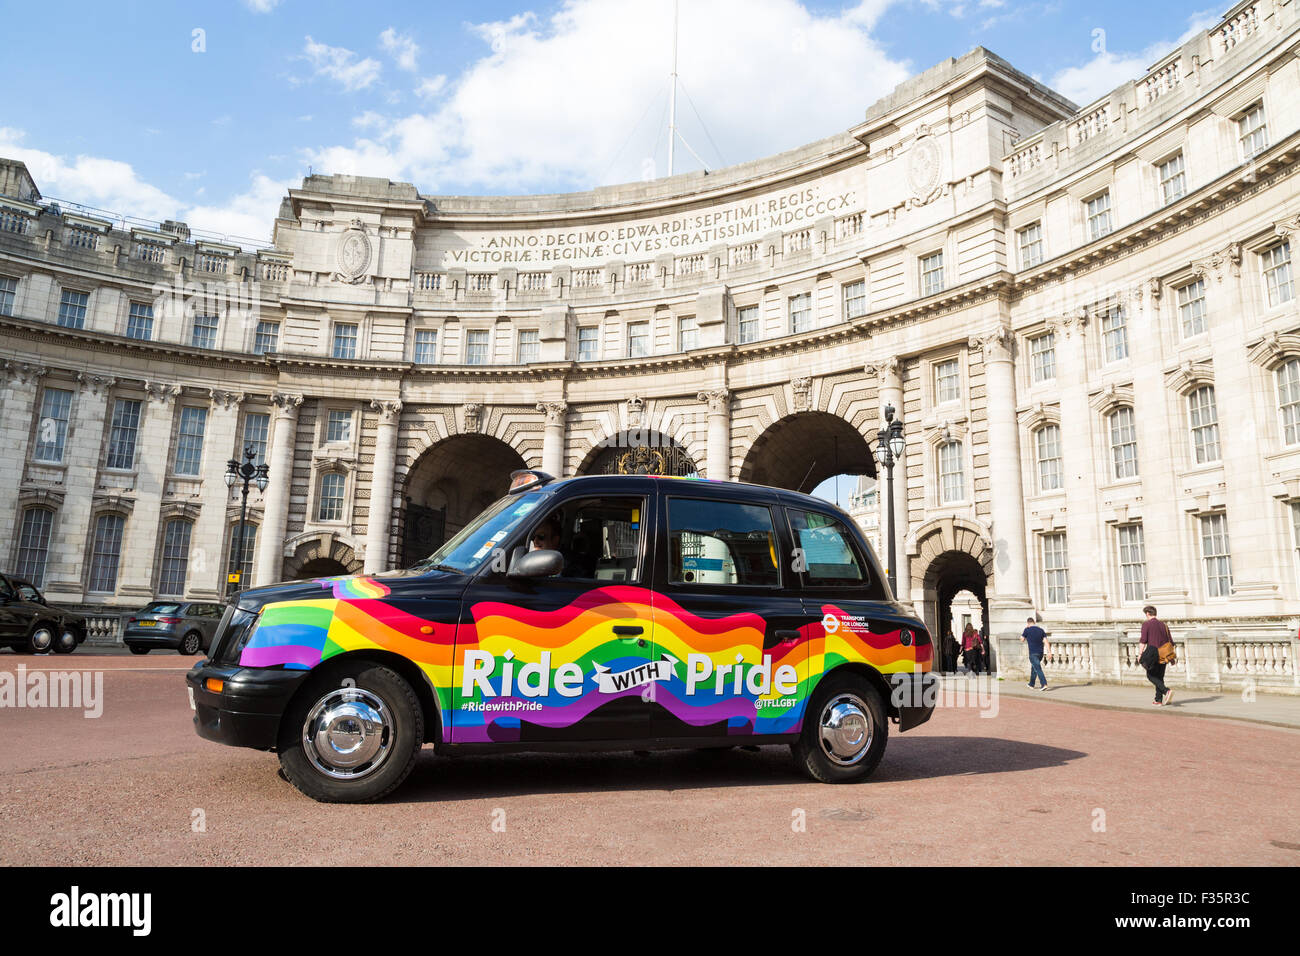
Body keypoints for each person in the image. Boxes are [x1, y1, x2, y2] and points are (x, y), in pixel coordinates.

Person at [1139, 605, 1174, 706]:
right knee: (1159, 676)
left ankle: (1166, 691)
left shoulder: (1147, 624)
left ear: (1147, 614)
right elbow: (1170, 641)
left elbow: (1143, 640)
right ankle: (1158, 700)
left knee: (1150, 675)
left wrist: (1140, 654)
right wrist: (1171, 658)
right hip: (1164, 653)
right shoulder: (1164, 625)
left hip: (1153, 652)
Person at [1021, 616, 1049, 690]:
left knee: (1038, 668)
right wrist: (1049, 652)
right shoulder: (1041, 630)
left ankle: (1044, 684)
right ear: (1034, 622)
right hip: (1040, 653)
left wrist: (1026, 630)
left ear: (1028, 623)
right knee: (1034, 668)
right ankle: (1031, 684)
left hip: (1033, 653)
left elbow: (1022, 639)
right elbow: (1046, 642)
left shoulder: (1027, 630)